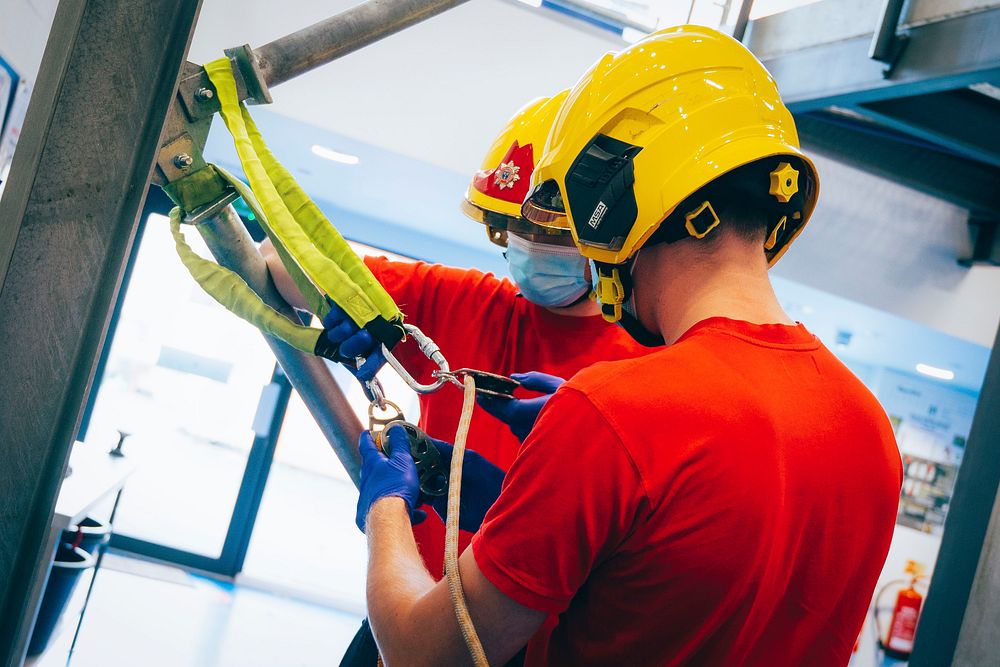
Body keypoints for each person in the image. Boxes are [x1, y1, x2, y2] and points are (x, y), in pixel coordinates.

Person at [356, 26, 903, 666]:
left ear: (617, 202)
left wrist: (388, 506)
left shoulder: (615, 413)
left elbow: (426, 656)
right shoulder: (870, 433)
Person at [262, 91, 650, 665]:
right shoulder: (463, 302)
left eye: (556, 231)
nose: (536, 244)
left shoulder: (648, 368)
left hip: (535, 642)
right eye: (522, 227)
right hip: (414, 611)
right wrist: (348, 304)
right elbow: (277, 266)